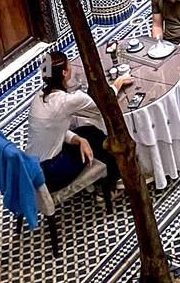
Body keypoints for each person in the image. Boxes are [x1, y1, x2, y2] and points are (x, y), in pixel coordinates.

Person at [27, 51, 122, 191]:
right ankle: (112, 182)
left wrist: (79, 140)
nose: (71, 65)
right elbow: (104, 103)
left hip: (32, 167)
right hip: (51, 173)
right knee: (100, 140)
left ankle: (106, 179)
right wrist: (117, 84)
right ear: (65, 73)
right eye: (69, 63)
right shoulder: (67, 100)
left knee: (88, 133)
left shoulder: (38, 97)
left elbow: (53, 130)